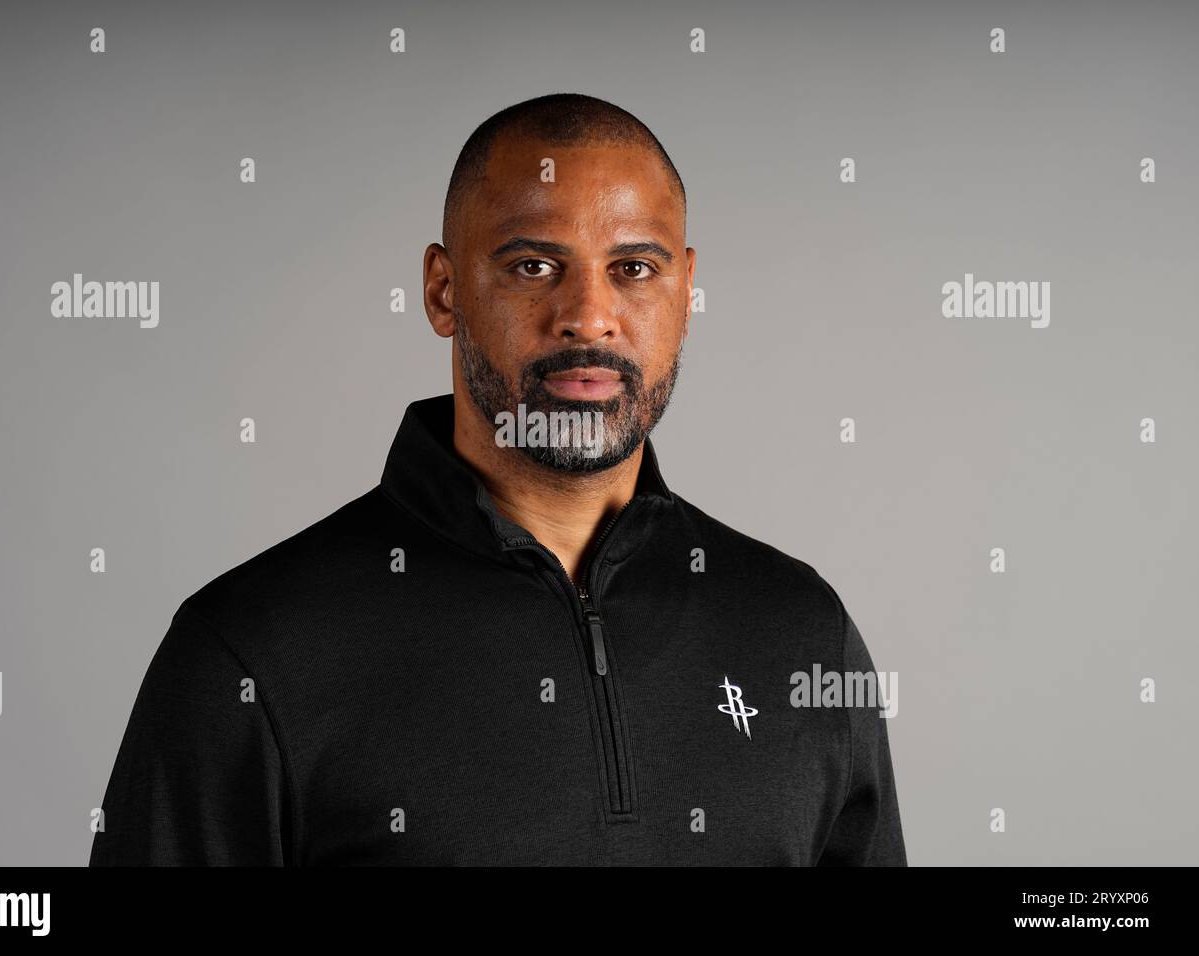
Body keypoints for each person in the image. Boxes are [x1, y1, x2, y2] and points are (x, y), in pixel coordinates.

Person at [89, 92, 907, 866]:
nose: (589, 315)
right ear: (444, 291)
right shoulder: (250, 651)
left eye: (633, 269)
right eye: (533, 266)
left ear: (687, 289)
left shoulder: (800, 631)